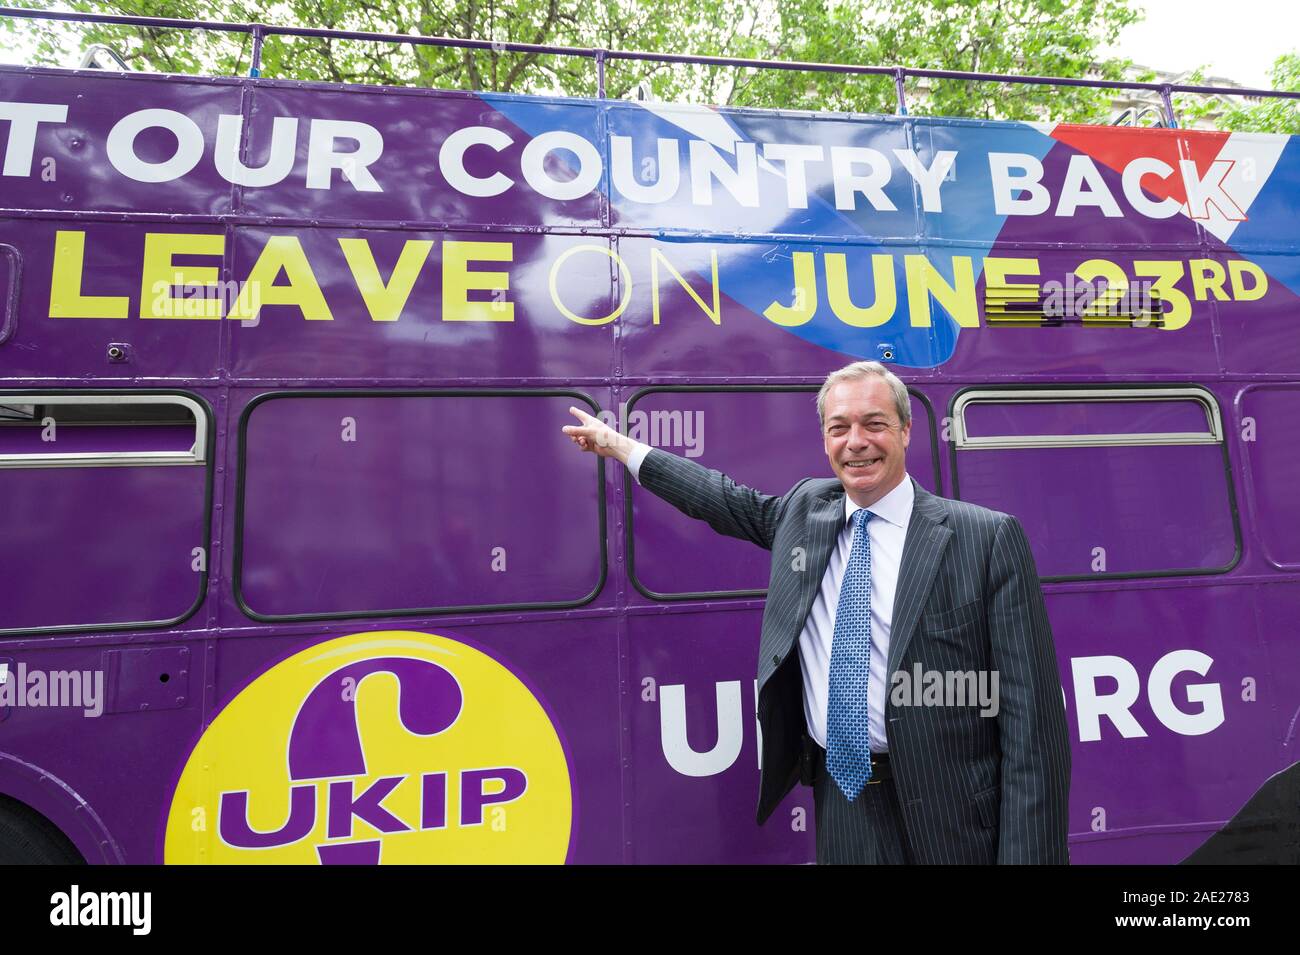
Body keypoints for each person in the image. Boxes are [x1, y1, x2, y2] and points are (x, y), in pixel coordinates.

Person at [562, 360, 1071, 864]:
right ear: (825, 439)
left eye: (874, 424)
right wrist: (620, 446)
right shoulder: (805, 512)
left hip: (954, 811)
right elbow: (718, 498)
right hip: (843, 800)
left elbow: (1034, 728)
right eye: (839, 428)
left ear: (907, 431)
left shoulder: (985, 537)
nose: (856, 442)